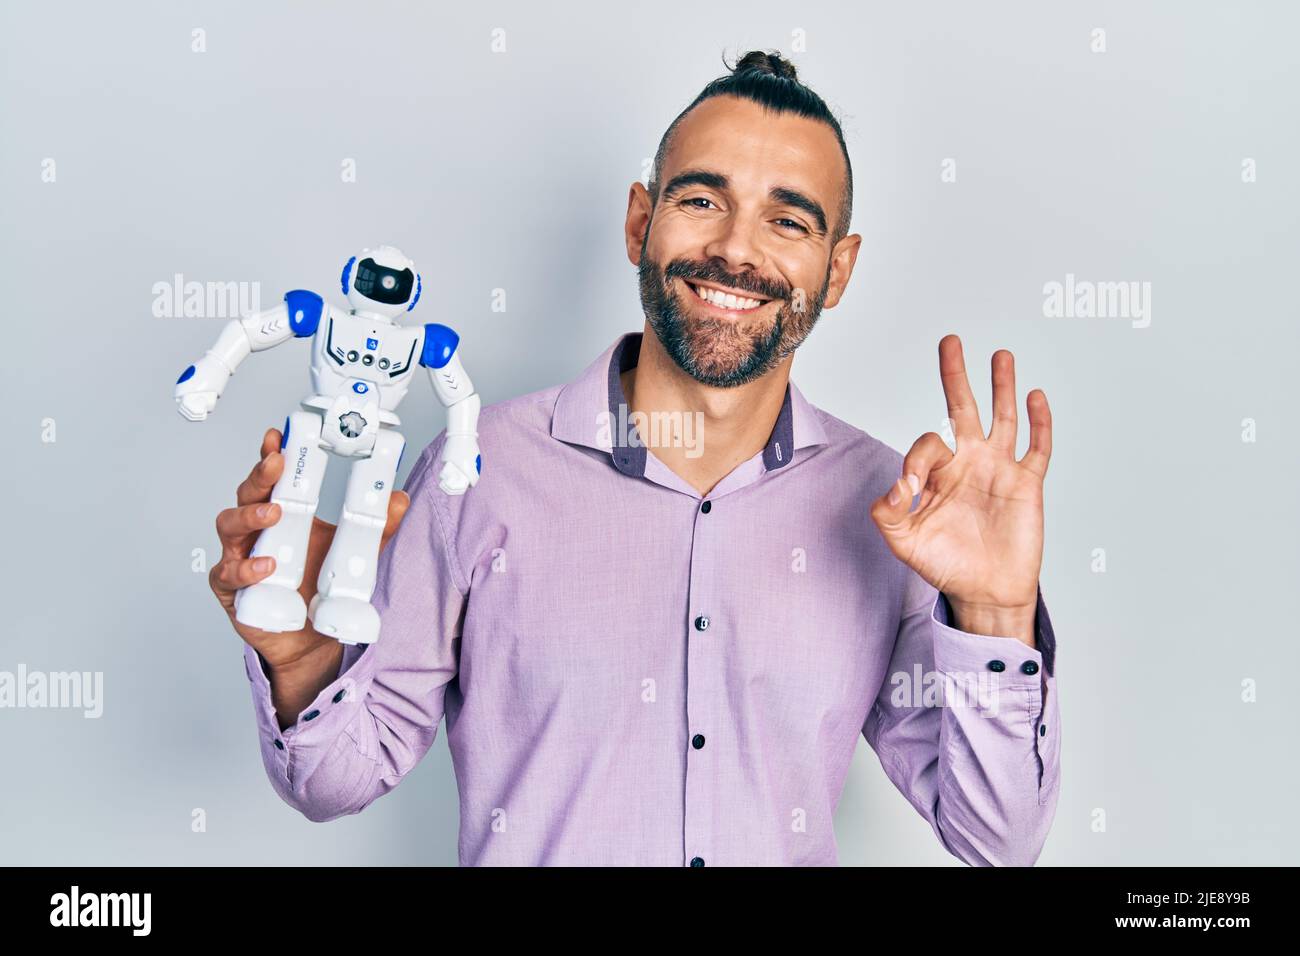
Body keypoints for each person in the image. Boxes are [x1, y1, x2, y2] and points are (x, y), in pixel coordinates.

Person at [209, 50, 1060, 866]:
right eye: (701, 200)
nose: (737, 249)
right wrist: (303, 661)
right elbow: (333, 779)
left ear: (836, 270)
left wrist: (993, 614)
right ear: (637, 221)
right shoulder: (482, 467)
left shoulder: (892, 508)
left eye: (789, 220)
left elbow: (996, 841)